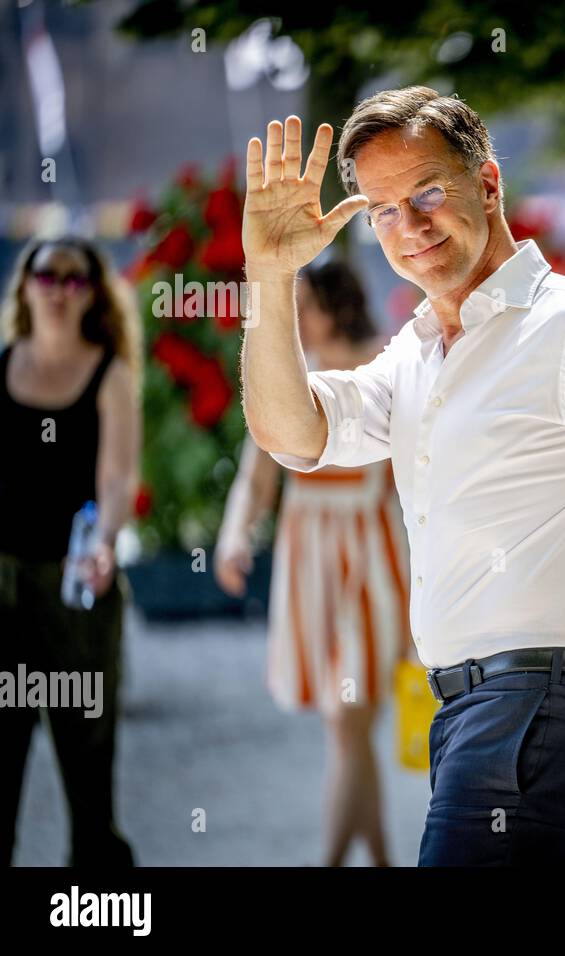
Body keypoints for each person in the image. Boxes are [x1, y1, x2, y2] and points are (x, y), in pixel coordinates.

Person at [239, 88, 565, 867]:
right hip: (476, 709)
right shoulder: (418, 353)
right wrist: (269, 276)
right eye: (382, 209)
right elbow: (290, 431)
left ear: (488, 183)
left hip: (550, 701)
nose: (408, 226)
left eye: (429, 193)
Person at [216, 259, 409, 866]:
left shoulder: (388, 364)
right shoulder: (290, 375)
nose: (294, 318)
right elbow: (257, 476)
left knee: (348, 723)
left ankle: (328, 862)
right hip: (312, 562)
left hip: (376, 561)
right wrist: (232, 538)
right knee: (347, 731)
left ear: (336, 305)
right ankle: (378, 861)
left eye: (305, 305)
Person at [0, 236, 141, 865]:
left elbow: (116, 480)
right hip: (1, 589)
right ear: (25, 286)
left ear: (94, 294)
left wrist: (105, 542)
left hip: (75, 591)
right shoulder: (1, 366)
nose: (59, 289)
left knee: (88, 780)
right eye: (47, 275)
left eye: (75, 278)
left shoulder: (110, 373)